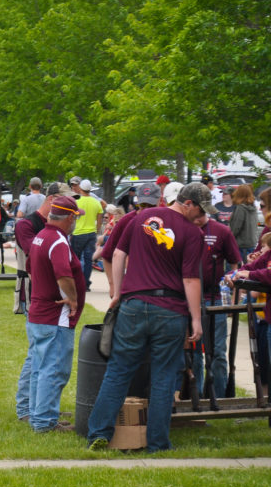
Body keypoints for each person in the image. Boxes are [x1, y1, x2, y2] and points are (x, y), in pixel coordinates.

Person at [86, 182, 212, 452]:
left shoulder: (142, 217)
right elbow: (190, 279)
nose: (201, 216)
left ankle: (98, 433)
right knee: (165, 376)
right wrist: (196, 319)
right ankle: (157, 443)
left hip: (134, 303)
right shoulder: (191, 233)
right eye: (200, 209)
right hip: (170, 308)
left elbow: (118, 253)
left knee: (118, 371)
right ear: (188, 203)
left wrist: (117, 292)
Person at [24, 195, 86, 433]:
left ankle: (38, 414)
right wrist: (72, 298)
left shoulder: (41, 236)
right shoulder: (58, 241)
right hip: (54, 316)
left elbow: (31, 267)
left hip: (40, 312)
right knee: (55, 369)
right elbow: (63, 274)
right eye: (75, 217)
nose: (75, 222)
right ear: (69, 217)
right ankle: (44, 421)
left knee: (40, 367)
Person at [189, 210, 242, 398]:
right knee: (194, 351)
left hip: (216, 298)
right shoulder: (184, 228)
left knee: (218, 351)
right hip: (190, 298)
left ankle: (219, 397)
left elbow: (235, 263)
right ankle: (196, 397)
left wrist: (233, 291)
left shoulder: (221, 231)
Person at [69, 178, 105, 291]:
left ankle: (76, 283)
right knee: (88, 260)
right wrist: (97, 232)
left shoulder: (76, 202)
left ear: (80, 188)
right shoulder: (96, 203)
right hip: (91, 234)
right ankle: (86, 284)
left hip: (77, 233)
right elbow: (99, 221)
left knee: (76, 259)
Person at [229, 184, 260, 260]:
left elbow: (236, 227)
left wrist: (229, 239)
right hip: (251, 243)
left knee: (236, 269)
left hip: (241, 245)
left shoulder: (241, 208)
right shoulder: (253, 207)